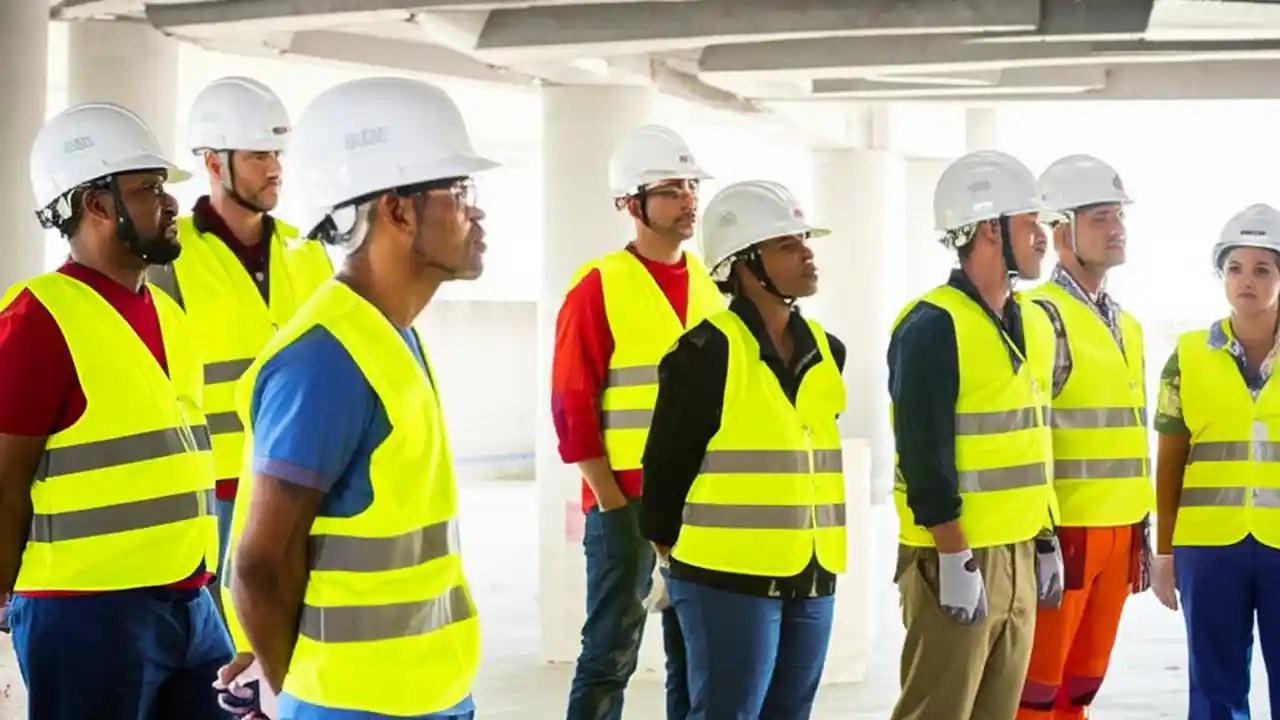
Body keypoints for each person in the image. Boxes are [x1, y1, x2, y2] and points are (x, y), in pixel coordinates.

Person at [212, 76, 496, 720]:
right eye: (457, 192)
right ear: (397, 210)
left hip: (432, 692)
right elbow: (259, 565)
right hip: (353, 705)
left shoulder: (390, 336)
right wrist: (296, 693)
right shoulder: (325, 359)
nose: (475, 213)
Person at [0, 102, 228, 718]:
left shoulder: (168, 314)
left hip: (191, 598)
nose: (171, 202)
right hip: (84, 613)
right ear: (97, 205)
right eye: (150, 189)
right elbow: (2, 485)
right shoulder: (36, 321)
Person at [639, 179, 846, 719]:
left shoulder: (828, 350)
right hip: (724, 580)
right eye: (787, 245)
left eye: (805, 241)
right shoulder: (703, 353)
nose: (807, 254)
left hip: (813, 571)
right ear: (745, 264)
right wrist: (674, 565)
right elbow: (663, 472)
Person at [554, 124, 724, 719]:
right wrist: (608, 500)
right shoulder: (599, 285)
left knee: (693, 655)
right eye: (672, 189)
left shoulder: (708, 283)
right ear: (633, 203)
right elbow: (572, 404)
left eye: (691, 186)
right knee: (610, 653)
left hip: (696, 503)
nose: (689, 199)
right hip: (623, 504)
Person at [887, 149, 1063, 720]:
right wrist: (954, 553)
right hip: (955, 556)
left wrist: (1044, 534)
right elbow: (923, 452)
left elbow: (1029, 438)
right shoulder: (931, 326)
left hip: (1015, 549)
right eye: (1030, 224)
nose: (1043, 236)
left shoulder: (1031, 321)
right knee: (937, 710)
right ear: (990, 229)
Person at [148, 76, 333, 581]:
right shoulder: (168, 259)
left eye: (276, 154)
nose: (275, 169)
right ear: (213, 163)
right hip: (215, 492)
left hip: (302, 481)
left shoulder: (308, 252)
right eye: (258, 156)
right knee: (225, 650)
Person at [1016, 154, 1154, 719]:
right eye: (1101, 217)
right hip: (1067, 532)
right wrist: (1041, 532)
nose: (1117, 228)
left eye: (1119, 215)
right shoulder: (1039, 315)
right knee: (1038, 690)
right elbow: (1027, 434)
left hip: (1120, 532)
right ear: (1060, 228)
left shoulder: (1128, 324)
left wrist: (1140, 529)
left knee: (1082, 687)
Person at [1151, 203, 1280, 719]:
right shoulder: (1186, 356)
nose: (1245, 281)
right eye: (1234, 268)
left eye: (1262, 269)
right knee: (1214, 687)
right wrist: (1164, 551)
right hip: (1208, 547)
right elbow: (1170, 461)